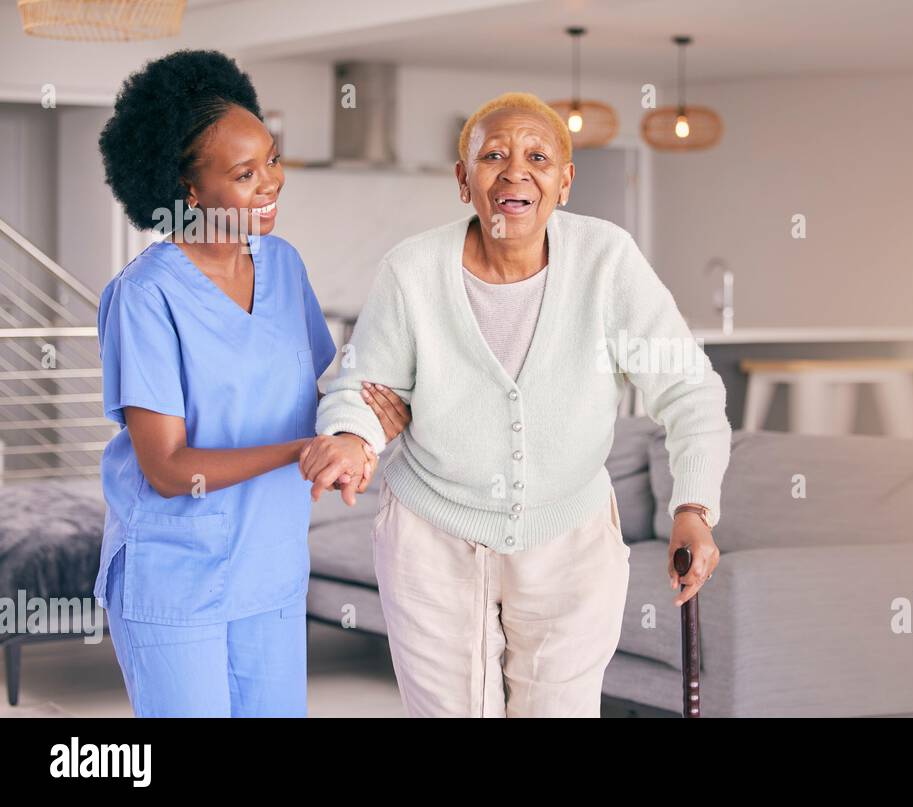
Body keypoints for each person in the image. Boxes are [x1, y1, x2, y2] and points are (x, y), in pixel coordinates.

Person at [300, 91, 732, 717]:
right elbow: (364, 386)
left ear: (564, 182)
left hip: (571, 533)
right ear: (462, 180)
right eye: (493, 156)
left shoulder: (606, 262)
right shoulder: (413, 270)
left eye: (538, 156)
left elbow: (689, 388)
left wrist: (694, 505)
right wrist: (351, 437)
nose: (515, 171)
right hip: (432, 531)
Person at [94, 49, 407, 717]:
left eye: (271, 158)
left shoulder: (284, 266)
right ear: (188, 191)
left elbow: (313, 395)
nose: (271, 182)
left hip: (270, 567)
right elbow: (169, 468)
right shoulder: (146, 297)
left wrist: (363, 426)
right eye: (244, 173)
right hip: (176, 578)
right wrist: (300, 451)